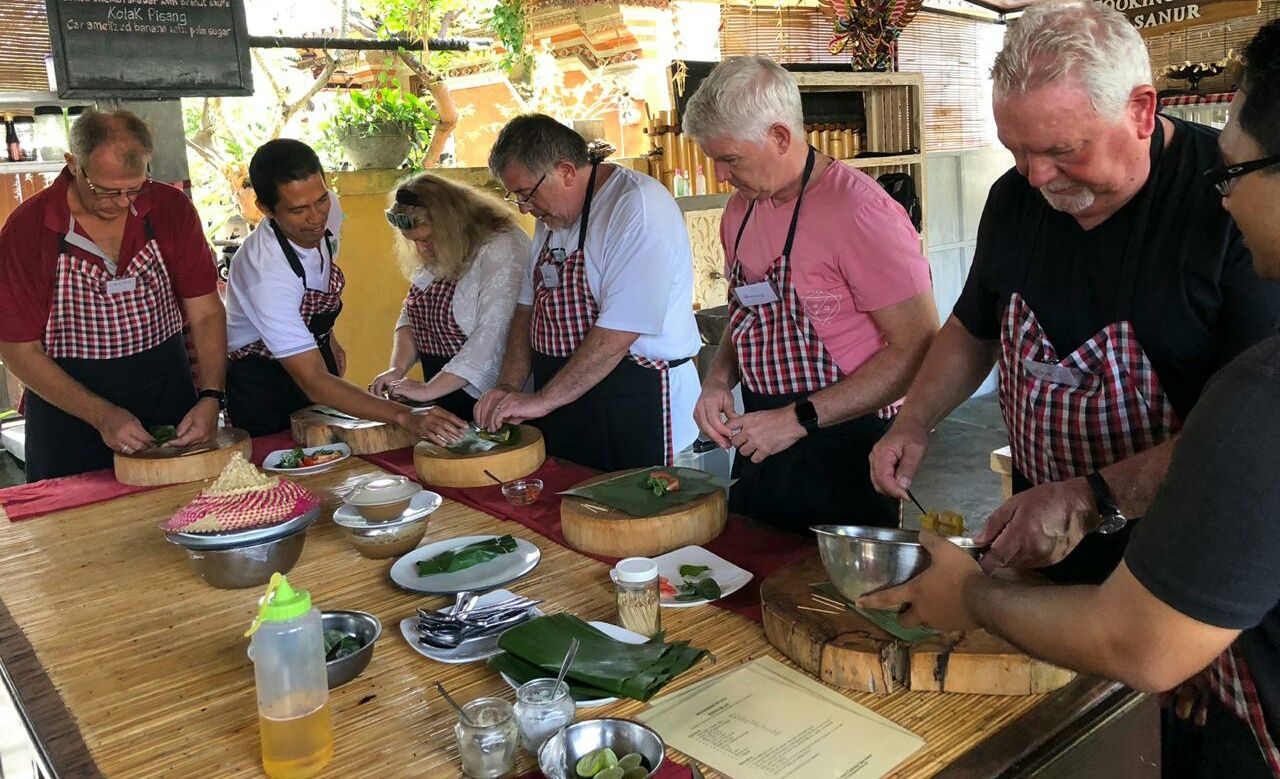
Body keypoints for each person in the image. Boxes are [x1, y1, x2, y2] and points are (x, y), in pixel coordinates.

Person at [863, 22, 1280, 777]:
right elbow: (971, 325)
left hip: (1188, 591)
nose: (1038, 176)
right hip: (1038, 564)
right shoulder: (1015, 202)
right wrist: (916, 416)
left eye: (1064, 151)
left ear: (1142, 110)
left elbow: (1240, 440)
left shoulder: (1225, 215)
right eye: (1018, 151)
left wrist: (1092, 498)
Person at [681, 56, 938, 531]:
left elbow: (920, 349)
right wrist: (718, 380)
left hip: (846, 440)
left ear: (780, 137)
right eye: (714, 159)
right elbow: (746, 314)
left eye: (730, 158)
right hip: (760, 430)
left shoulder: (861, 212)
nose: (720, 175)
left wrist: (797, 419)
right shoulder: (739, 212)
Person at [0, 110, 226, 481]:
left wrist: (211, 396)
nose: (123, 203)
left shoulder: (170, 209)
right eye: (105, 190)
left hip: (168, 398)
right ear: (74, 164)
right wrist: (101, 415)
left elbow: (205, 313)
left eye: (134, 188)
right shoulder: (29, 230)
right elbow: (18, 350)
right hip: (70, 417)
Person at [474, 116, 701, 471]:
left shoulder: (637, 208)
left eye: (525, 194)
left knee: (635, 518)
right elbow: (526, 307)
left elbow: (618, 332)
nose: (522, 208)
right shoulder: (554, 214)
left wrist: (545, 399)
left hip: (639, 402)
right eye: (514, 196)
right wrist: (508, 384)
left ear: (565, 171)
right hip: (570, 399)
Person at [224, 139, 462, 443]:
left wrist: (327, 336)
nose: (316, 217)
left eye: (320, 199)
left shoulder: (328, 210)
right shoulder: (266, 274)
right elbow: (312, 379)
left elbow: (318, 276)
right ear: (265, 209)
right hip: (261, 381)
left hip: (309, 355)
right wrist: (403, 414)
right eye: (298, 210)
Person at [368, 173, 531, 421]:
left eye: (425, 239)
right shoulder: (443, 247)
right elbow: (411, 314)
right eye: (414, 242)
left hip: (488, 400)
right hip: (440, 391)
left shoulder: (503, 246)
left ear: (449, 225)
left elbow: (492, 335)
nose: (422, 249)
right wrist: (397, 369)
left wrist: (428, 389)